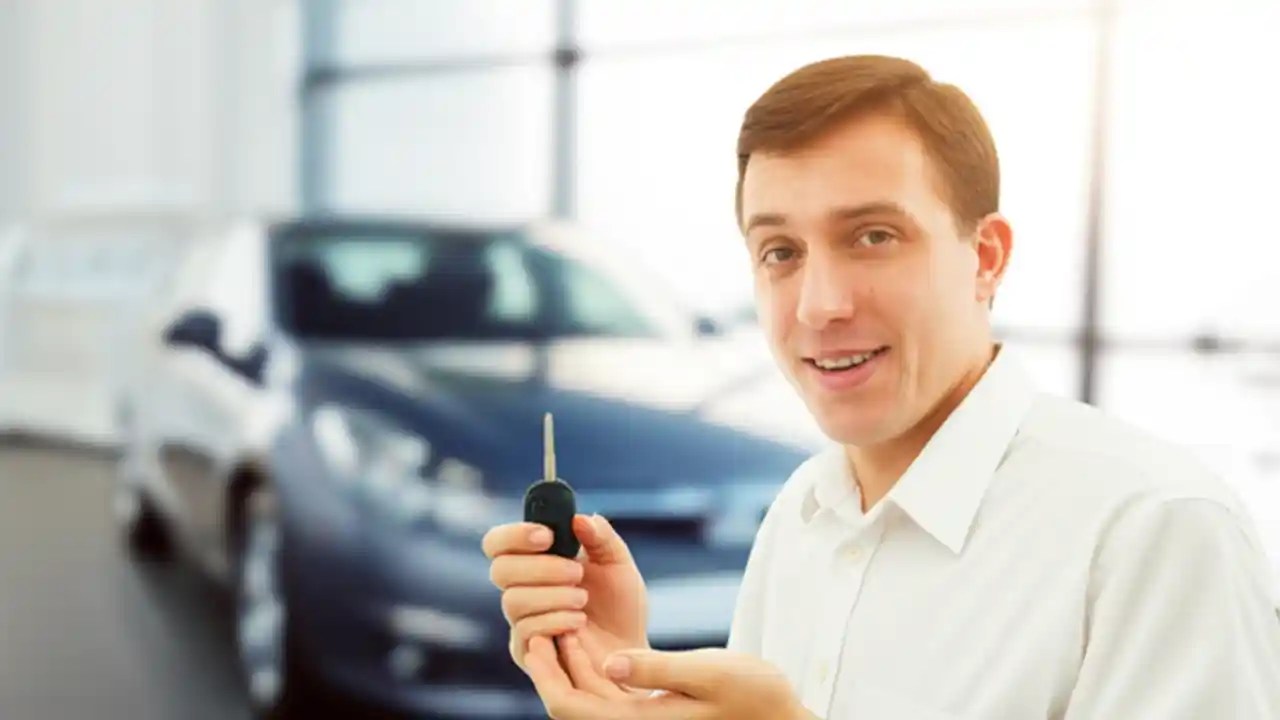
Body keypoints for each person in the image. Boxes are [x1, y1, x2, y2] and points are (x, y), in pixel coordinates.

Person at [482, 54, 1280, 719]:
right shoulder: (804, 513)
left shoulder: (1158, 531)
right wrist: (632, 674)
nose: (821, 305)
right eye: (781, 252)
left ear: (987, 257)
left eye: (873, 237)